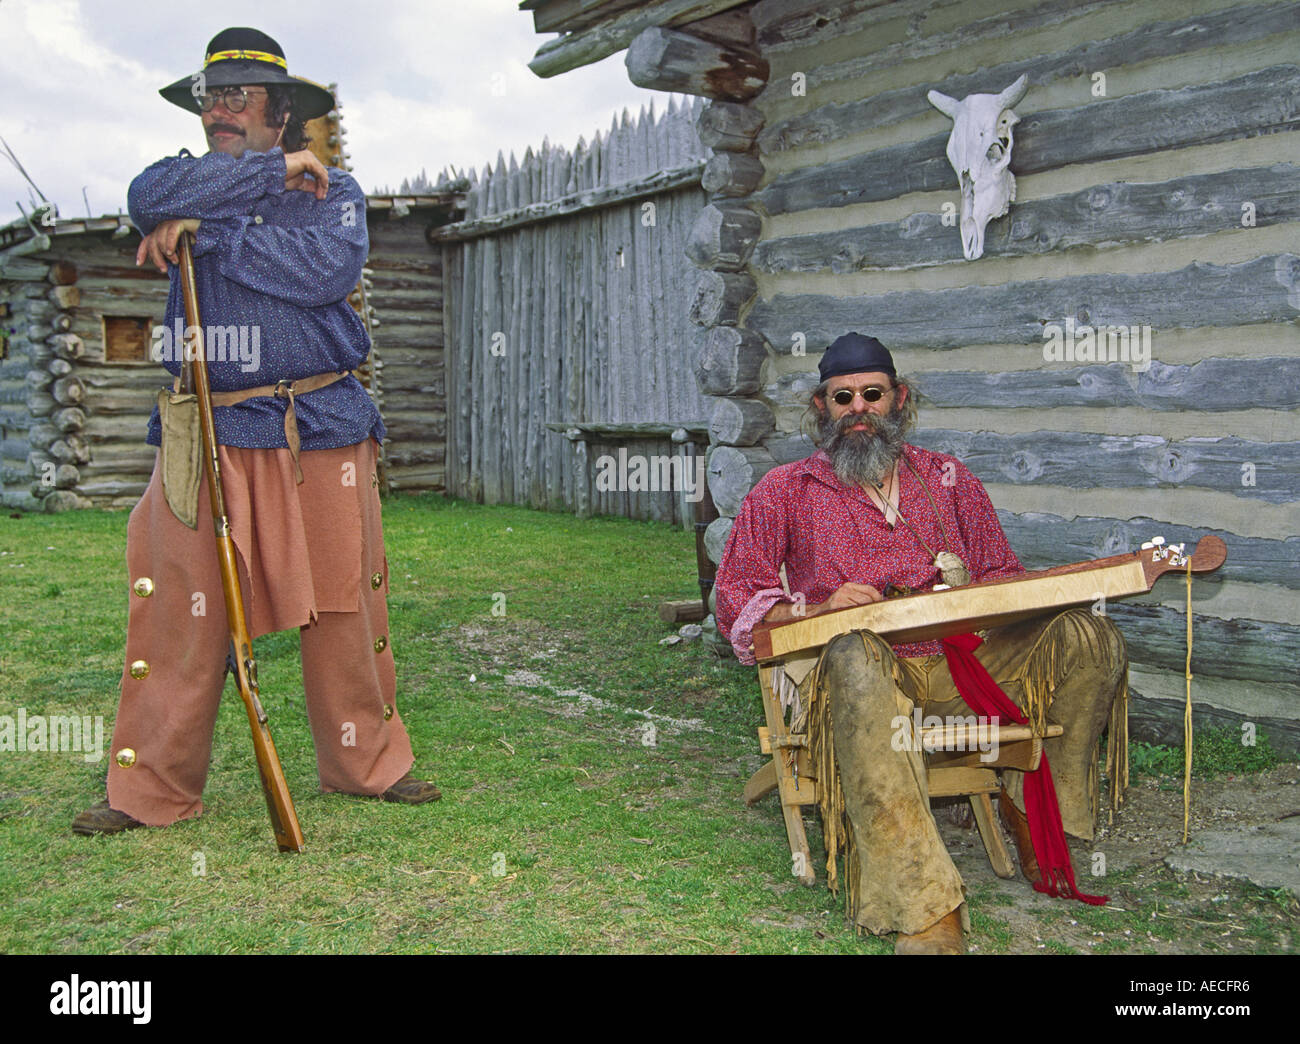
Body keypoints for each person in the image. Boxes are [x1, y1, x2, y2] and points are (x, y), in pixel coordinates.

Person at [73, 27, 439, 837]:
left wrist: (208, 233)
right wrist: (256, 181)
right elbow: (146, 196)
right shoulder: (178, 182)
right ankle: (151, 791)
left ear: (281, 112)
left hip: (320, 422)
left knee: (345, 606)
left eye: (239, 96)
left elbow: (324, 271)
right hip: (207, 428)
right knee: (179, 609)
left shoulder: (333, 192)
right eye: (211, 96)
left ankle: (366, 765)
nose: (219, 110)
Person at [714, 332, 1126, 954]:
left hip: (964, 668)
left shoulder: (949, 480)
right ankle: (923, 906)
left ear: (899, 399)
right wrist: (816, 607)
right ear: (821, 407)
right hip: (864, 680)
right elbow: (735, 596)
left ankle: (1037, 816)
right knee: (853, 653)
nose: (858, 408)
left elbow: (1001, 575)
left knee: (1088, 636)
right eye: (842, 397)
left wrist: (966, 598)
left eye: (872, 394)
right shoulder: (786, 490)